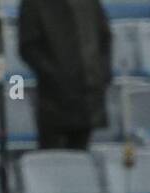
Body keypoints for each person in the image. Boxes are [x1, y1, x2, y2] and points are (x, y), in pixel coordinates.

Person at [18, 0, 112, 151]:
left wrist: (101, 75)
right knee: (53, 159)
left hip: (89, 94)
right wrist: (56, 77)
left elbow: (104, 38)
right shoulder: (34, 3)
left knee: (82, 157)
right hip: (55, 99)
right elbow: (29, 47)